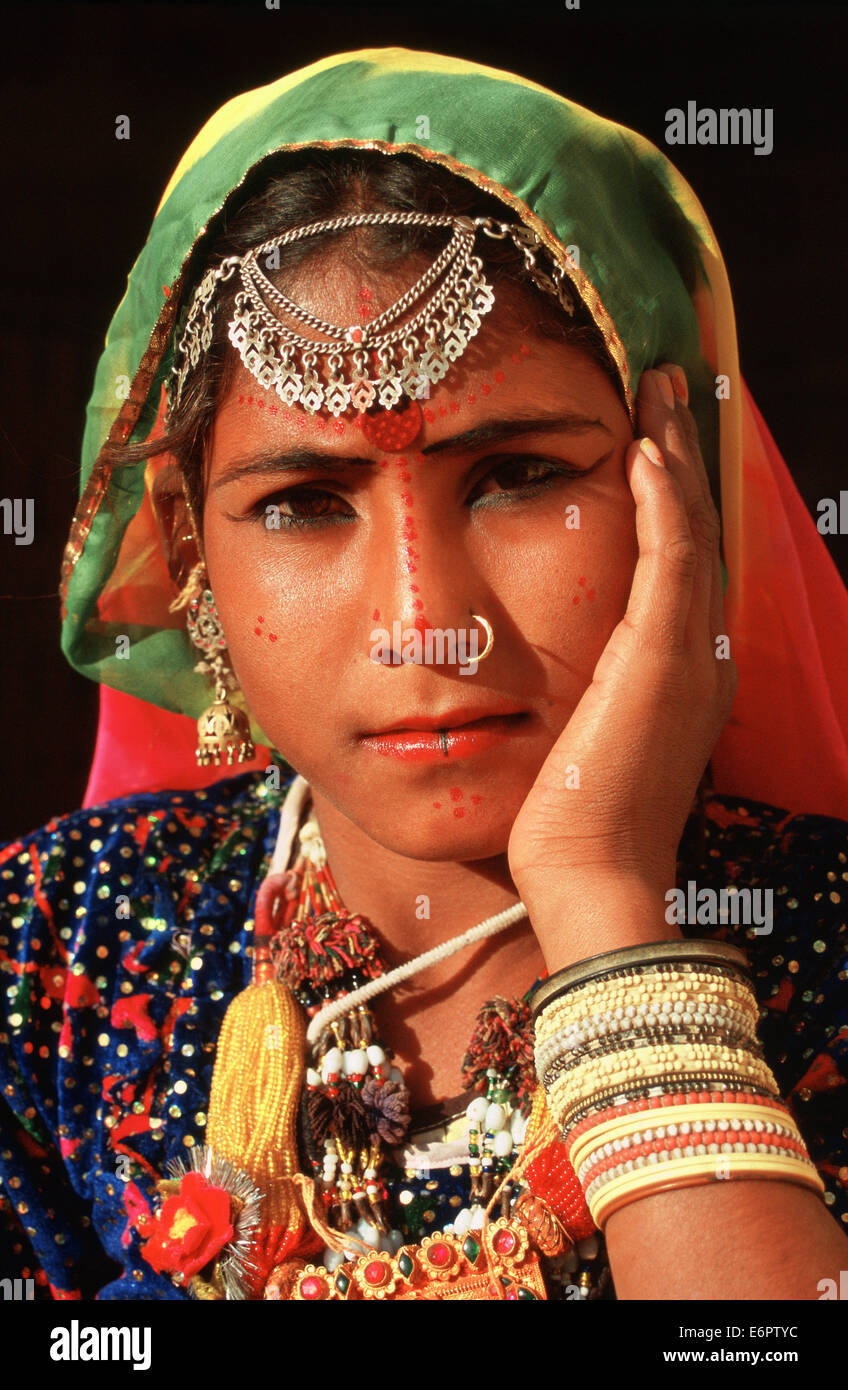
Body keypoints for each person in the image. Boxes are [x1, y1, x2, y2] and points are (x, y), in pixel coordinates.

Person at [2, 47, 847, 1303]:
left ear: (679, 488)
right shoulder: (55, 953)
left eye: (517, 477)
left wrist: (603, 891)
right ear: (188, 548)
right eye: (300, 502)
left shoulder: (817, 947)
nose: (421, 624)